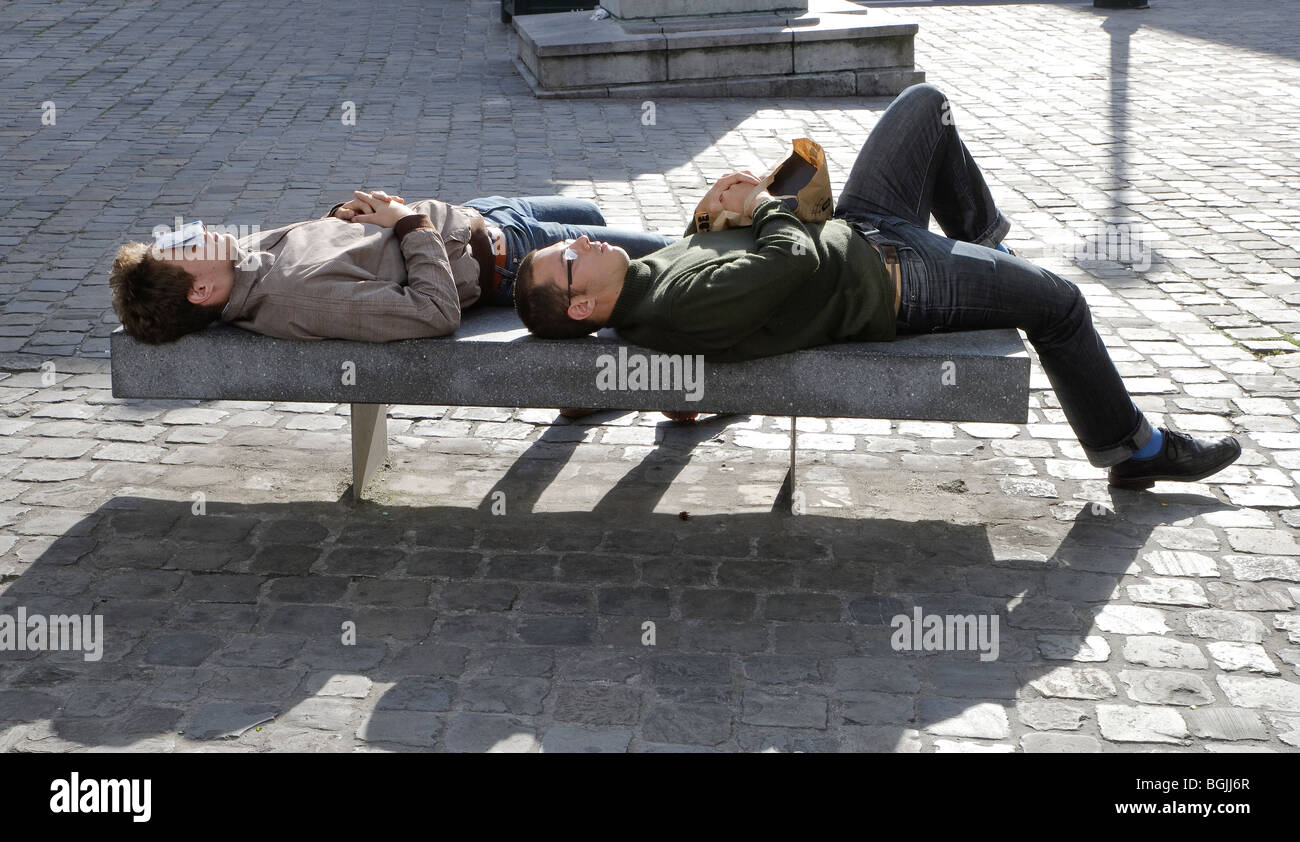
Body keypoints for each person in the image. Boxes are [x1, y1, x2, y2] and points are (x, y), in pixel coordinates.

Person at [512, 84, 1241, 490]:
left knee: (926, 106)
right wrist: (762, 208)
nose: (579, 240)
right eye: (569, 259)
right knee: (1061, 306)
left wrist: (721, 204)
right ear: (582, 306)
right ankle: (1131, 448)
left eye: (570, 242)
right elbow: (791, 263)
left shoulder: (645, 278)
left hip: (867, 228)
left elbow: (736, 267)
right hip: (900, 281)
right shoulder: (670, 306)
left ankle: (987, 249)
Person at [109, 190, 671, 344]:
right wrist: (408, 226)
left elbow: (324, 242)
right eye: (182, 243)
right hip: (509, 258)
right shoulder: (299, 298)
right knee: (665, 256)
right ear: (201, 291)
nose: (193, 230)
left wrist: (344, 216)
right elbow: (432, 313)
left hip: (488, 213)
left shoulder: (240, 260)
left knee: (592, 211)